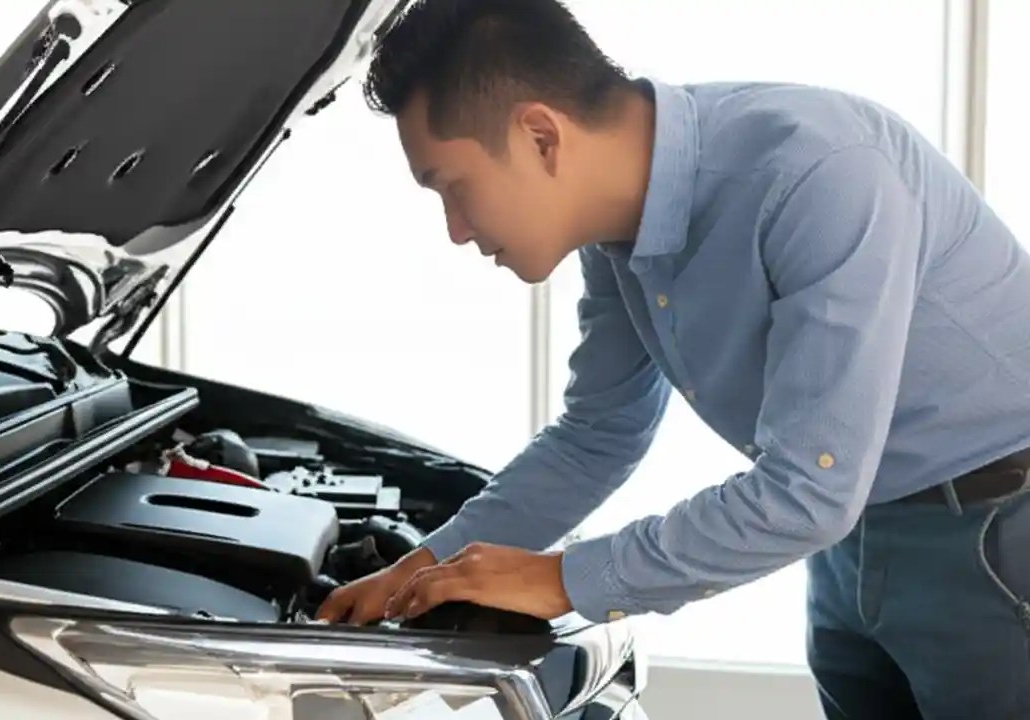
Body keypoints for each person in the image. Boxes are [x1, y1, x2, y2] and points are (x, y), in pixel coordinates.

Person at [312, 0, 1030, 716]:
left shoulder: (822, 173)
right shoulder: (615, 235)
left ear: (540, 136)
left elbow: (806, 493)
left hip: (991, 536)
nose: (456, 231)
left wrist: (563, 579)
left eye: (453, 188)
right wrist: (427, 567)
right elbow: (598, 436)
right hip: (851, 539)